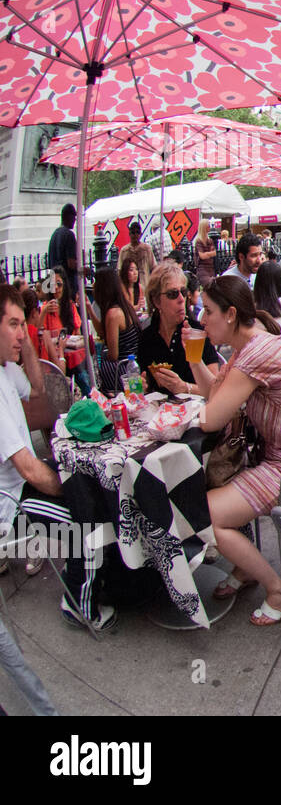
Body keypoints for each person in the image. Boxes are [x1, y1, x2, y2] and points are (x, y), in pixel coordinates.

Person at [188, 276, 281, 626]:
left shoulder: (255, 354)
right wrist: (194, 358)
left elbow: (211, 418)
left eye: (208, 311)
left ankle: (280, 591)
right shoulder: (248, 347)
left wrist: (174, 413)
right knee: (209, 496)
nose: (202, 320)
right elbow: (214, 400)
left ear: (231, 314)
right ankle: (245, 567)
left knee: (204, 513)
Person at [0, 281, 109, 634]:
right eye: (13, 324)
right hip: (10, 504)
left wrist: (25, 338)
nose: (22, 333)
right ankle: (79, 604)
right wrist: (73, 491)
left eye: (22, 324)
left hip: (23, 483)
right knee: (87, 516)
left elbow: (36, 386)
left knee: (87, 484)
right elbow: (29, 471)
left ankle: (94, 577)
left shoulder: (6, 369)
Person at [139, 262, 221, 396]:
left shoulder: (197, 332)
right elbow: (148, 385)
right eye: (172, 294)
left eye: (183, 292)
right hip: (162, 413)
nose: (181, 299)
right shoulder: (147, 338)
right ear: (156, 301)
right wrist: (143, 386)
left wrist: (184, 387)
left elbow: (217, 388)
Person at [39, 267, 91, 396]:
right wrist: (44, 311)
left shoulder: (70, 306)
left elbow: (78, 333)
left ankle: (88, 396)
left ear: (65, 286)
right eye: (52, 285)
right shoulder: (46, 308)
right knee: (82, 377)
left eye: (59, 284)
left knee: (83, 375)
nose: (56, 288)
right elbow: (39, 333)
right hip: (55, 358)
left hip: (73, 357)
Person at [92, 266, 141, 393]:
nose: (93, 286)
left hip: (123, 369)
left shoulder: (113, 314)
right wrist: (89, 309)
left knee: (92, 369)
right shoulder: (124, 306)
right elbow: (103, 333)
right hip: (133, 364)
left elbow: (113, 355)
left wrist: (100, 356)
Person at [47, 204, 79, 288]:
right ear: (68, 216)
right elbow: (71, 264)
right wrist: (83, 268)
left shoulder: (54, 234)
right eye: (74, 217)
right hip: (68, 284)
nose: (75, 220)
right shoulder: (69, 235)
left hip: (56, 284)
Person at [119, 221, 156, 287]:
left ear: (140, 234)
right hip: (129, 286)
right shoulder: (124, 251)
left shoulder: (147, 249)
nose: (135, 235)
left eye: (137, 232)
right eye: (133, 233)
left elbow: (153, 268)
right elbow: (120, 270)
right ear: (129, 234)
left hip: (144, 285)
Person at [194, 218, 218, 287]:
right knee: (208, 285)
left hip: (211, 268)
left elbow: (214, 253)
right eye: (208, 226)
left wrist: (207, 254)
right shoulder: (199, 241)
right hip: (202, 269)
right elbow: (202, 256)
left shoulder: (210, 240)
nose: (210, 227)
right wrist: (209, 254)